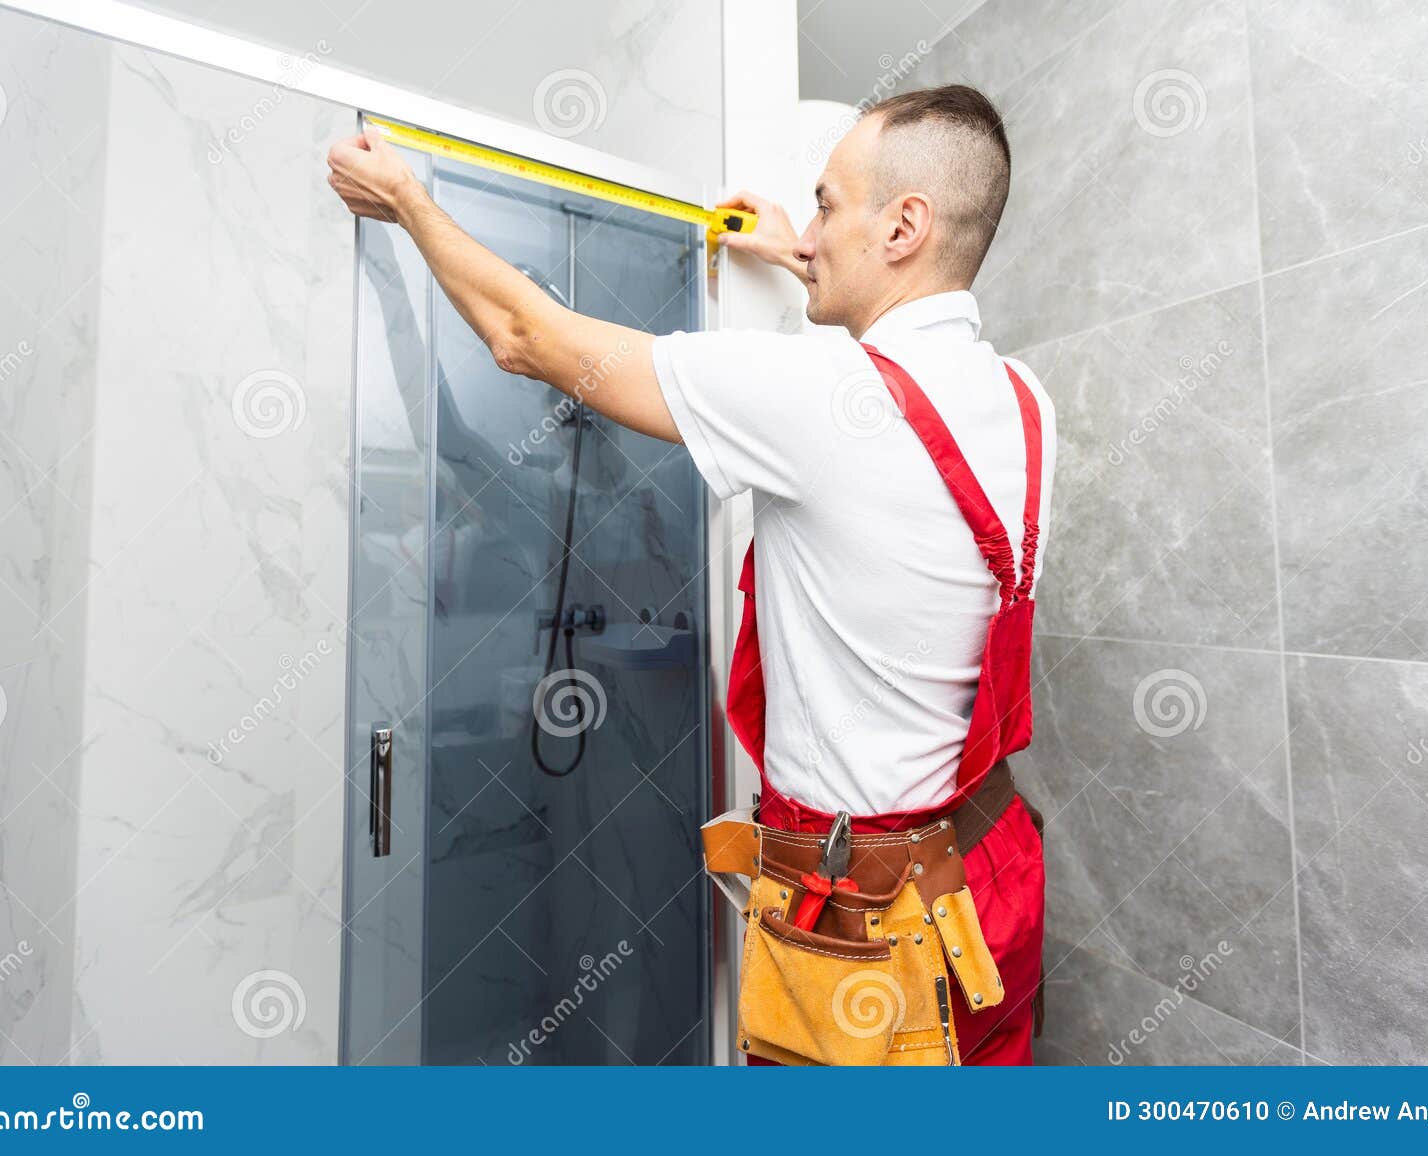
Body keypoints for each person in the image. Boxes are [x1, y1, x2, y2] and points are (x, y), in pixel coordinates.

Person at [327, 83, 1055, 1065]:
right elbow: (886, 385)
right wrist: (808, 255)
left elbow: (525, 335)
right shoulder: (1024, 402)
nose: (817, 226)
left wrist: (410, 201)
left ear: (903, 225)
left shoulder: (821, 394)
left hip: (863, 923)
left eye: (830, 205)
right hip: (984, 880)